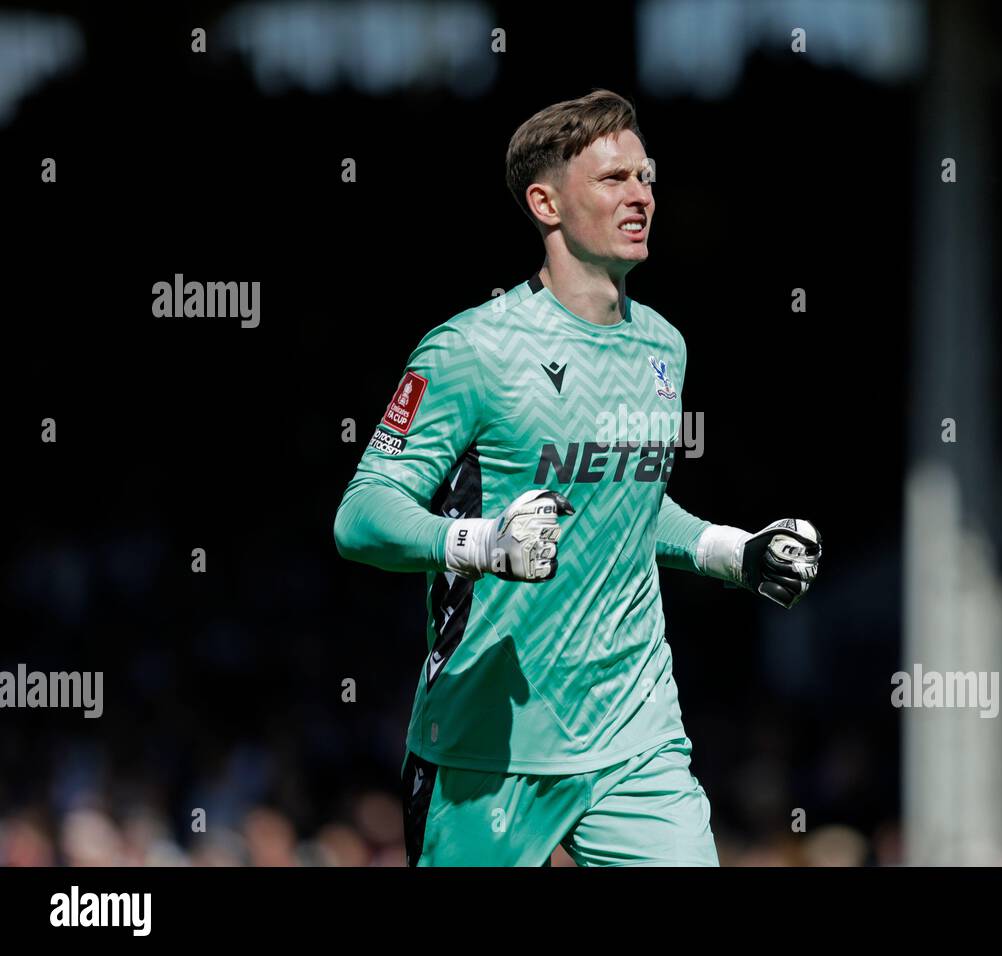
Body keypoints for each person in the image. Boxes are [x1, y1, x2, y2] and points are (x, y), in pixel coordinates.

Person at [334, 89, 822, 866]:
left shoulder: (665, 348)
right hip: (485, 747)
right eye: (614, 180)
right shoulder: (470, 351)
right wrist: (482, 541)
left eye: (646, 176)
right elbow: (361, 516)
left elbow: (627, 506)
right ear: (545, 202)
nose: (641, 196)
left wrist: (734, 550)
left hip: (637, 737)